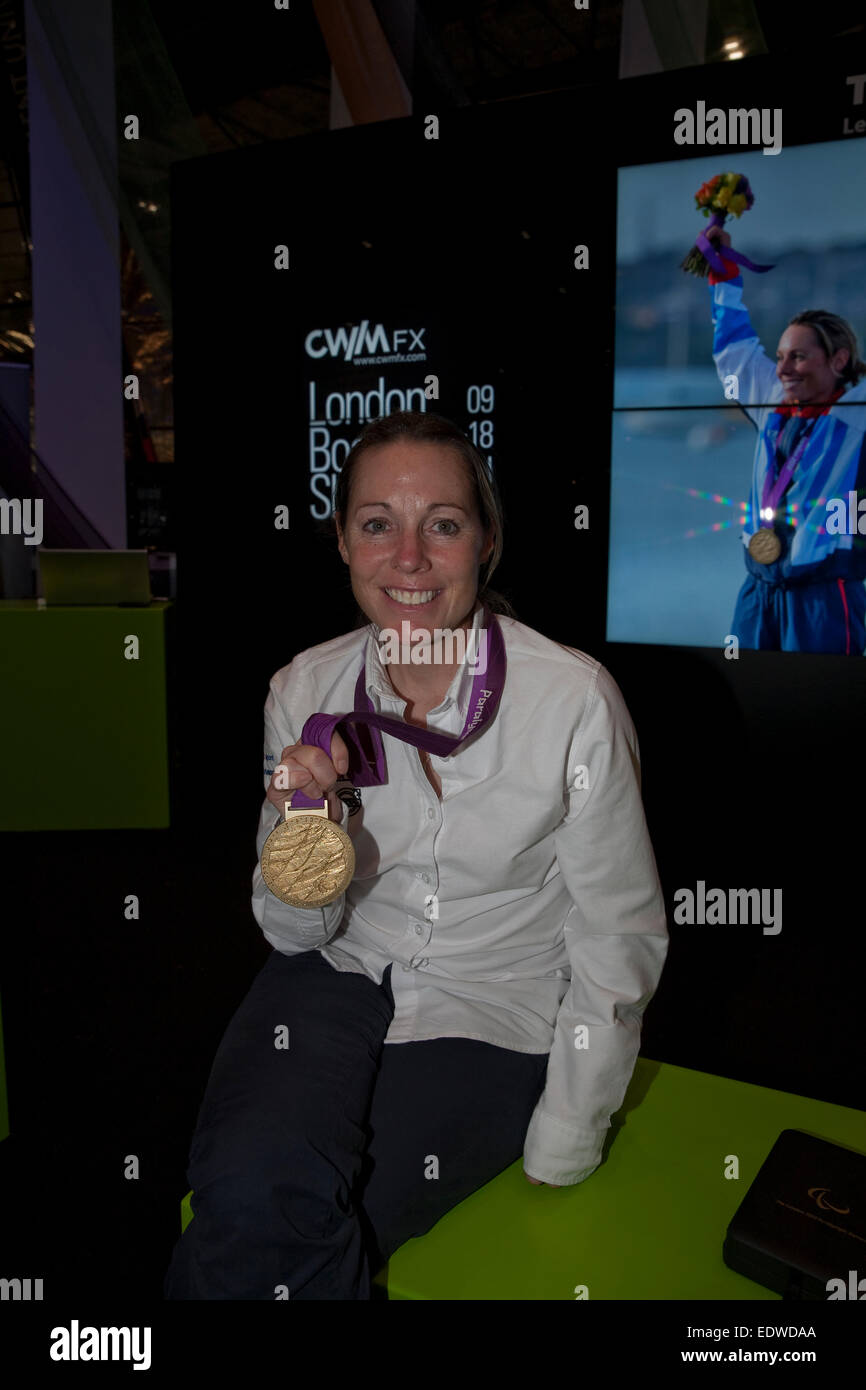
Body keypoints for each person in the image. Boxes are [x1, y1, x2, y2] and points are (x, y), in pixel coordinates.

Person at [163, 409, 668, 1300]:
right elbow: (291, 931)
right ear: (344, 543)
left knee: (313, 1224)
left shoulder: (572, 700)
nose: (408, 558)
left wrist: (571, 1126)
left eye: (442, 523)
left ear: (487, 540)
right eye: (377, 525)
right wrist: (308, 828)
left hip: (494, 1003)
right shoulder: (303, 691)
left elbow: (618, 928)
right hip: (332, 969)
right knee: (245, 1193)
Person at [705, 223, 866, 654]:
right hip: (757, 592)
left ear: (839, 358)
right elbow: (733, 349)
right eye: (780, 357)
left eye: (798, 356)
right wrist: (722, 275)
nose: (784, 368)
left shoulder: (858, 416)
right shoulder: (772, 402)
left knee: (818, 710)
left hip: (827, 596)